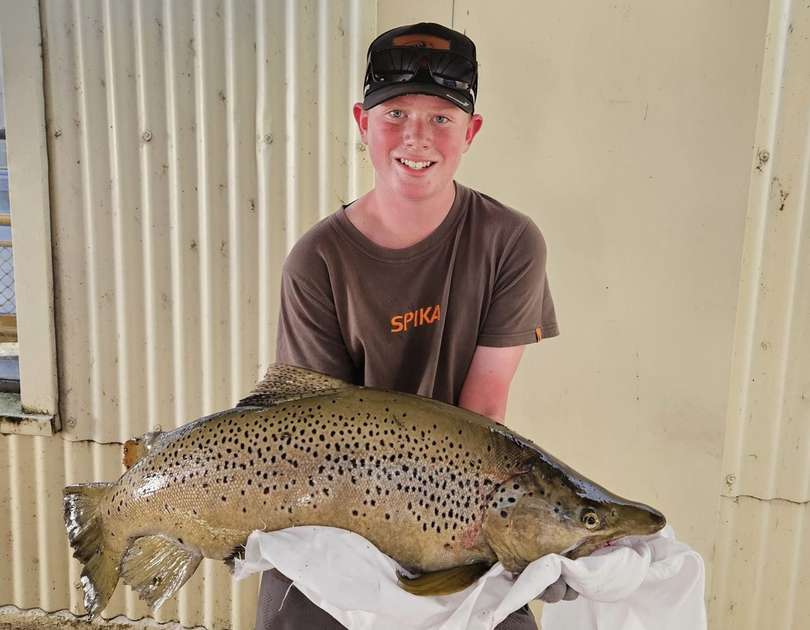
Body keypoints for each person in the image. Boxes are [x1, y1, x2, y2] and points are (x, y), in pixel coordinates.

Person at [254, 22, 574, 630]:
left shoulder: (511, 242)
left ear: (471, 131)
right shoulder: (316, 259)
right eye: (395, 113)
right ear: (362, 123)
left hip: (458, 496)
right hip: (329, 500)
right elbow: (319, 426)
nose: (416, 137)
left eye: (442, 119)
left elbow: (482, 413)